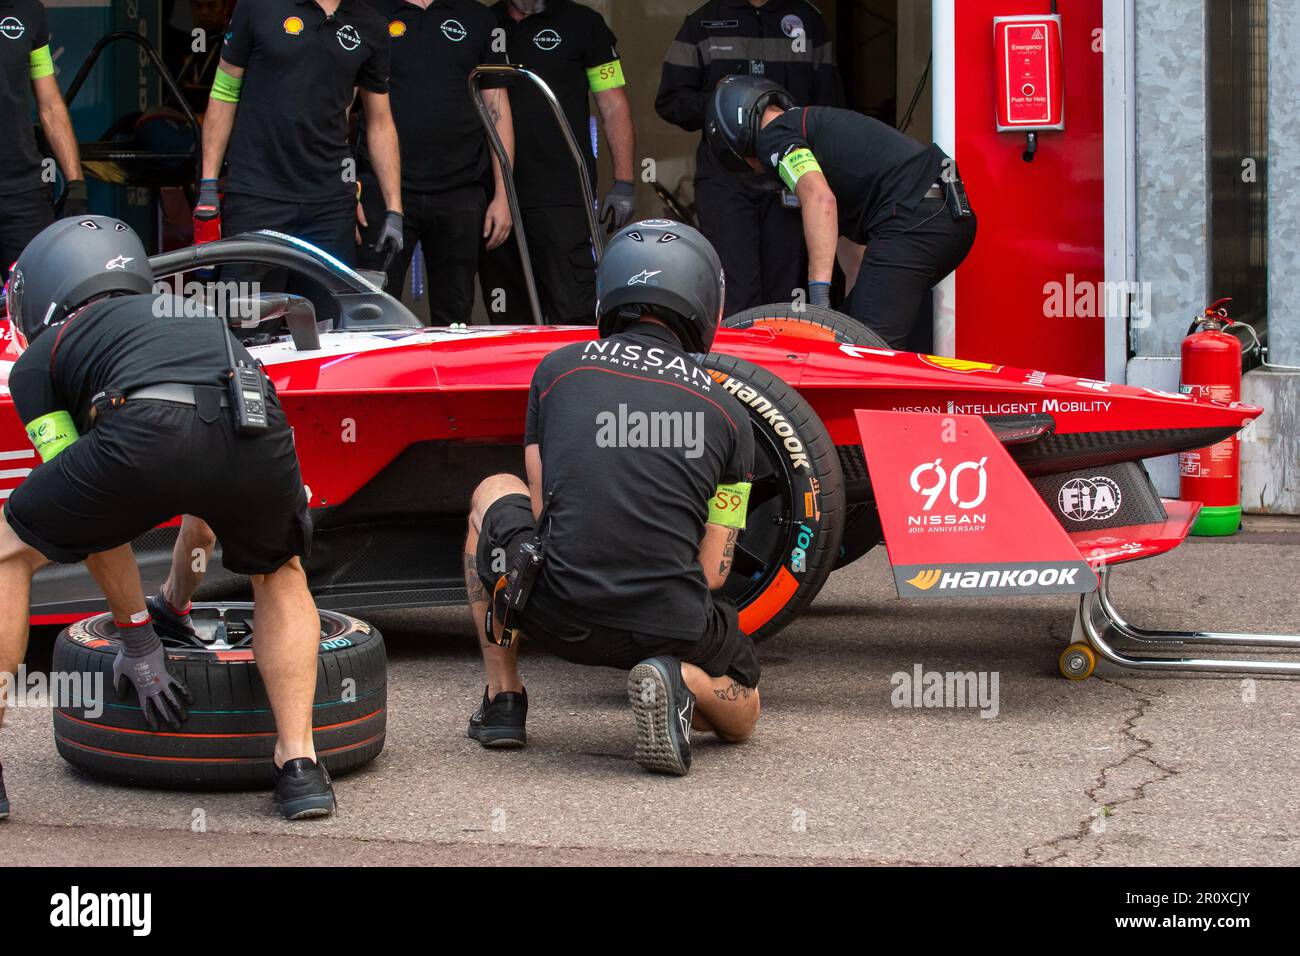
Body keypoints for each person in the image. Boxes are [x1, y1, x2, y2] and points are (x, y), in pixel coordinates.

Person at [0, 217, 334, 820]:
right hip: (256, 426)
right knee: (279, 572)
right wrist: (172, 605)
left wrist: (137, 638)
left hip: (145, 426)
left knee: (5, 550)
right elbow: (205, 495)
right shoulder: (188, 311)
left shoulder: (41, 360)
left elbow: (91, 519)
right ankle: (300, 767)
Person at [464, 219, 761, 776]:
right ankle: (681, 680)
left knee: (490, 492)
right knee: (744, 707)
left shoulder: (557, 371)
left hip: (555, 612)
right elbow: (714, 571)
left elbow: (539, 508)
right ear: (705, 301)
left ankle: (504, 699)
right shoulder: (731, 415)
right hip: (669, 623)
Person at [706, 76, 977, 348]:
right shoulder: (812, 131)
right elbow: (853, 254)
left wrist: (819, 301)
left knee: (867, 354)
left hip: (913, 219)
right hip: (945, 216)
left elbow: (819, 199)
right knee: (854, 336)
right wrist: (846, 313)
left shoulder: (774, 137)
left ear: (736, 135)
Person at [656, 0, 841, 316]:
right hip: (725, 178)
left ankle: (781, 364)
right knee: (734, 291)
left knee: (786, 296)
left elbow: (831, 106)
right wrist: (723, 102)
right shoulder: (702, 21)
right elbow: (670, 102)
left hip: (789, 175)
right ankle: (733, 365)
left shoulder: (808, 20)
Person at [195, 0, 402, 269]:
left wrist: (394, 208)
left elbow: (380, 121)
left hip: (331, 205)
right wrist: (209, 184)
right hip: (257, 195)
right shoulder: (257, 7)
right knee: (248, 309)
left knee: (327, 310)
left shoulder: (371, 24)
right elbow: (224, 93)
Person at [477, 0, 636, 325]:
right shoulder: (481, 21)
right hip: (494, 197)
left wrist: (624, 183)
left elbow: (613, 104)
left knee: (573, 312)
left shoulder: (584, 24)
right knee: (507, 319)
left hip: (562, 196)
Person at [355, 0, 515, 320]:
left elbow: (497, 113)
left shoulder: (478, 17)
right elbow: (341, 102)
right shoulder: (368, 14)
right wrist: (345, 187)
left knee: (455, 316)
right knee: (373, 313)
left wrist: (504, 195)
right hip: (384, 192)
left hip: (461, 191)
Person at [0, 0, 86, 281]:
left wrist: (76, 181)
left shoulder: (29, 11)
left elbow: (49, 103)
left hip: (22, 190)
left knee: (38, 305)